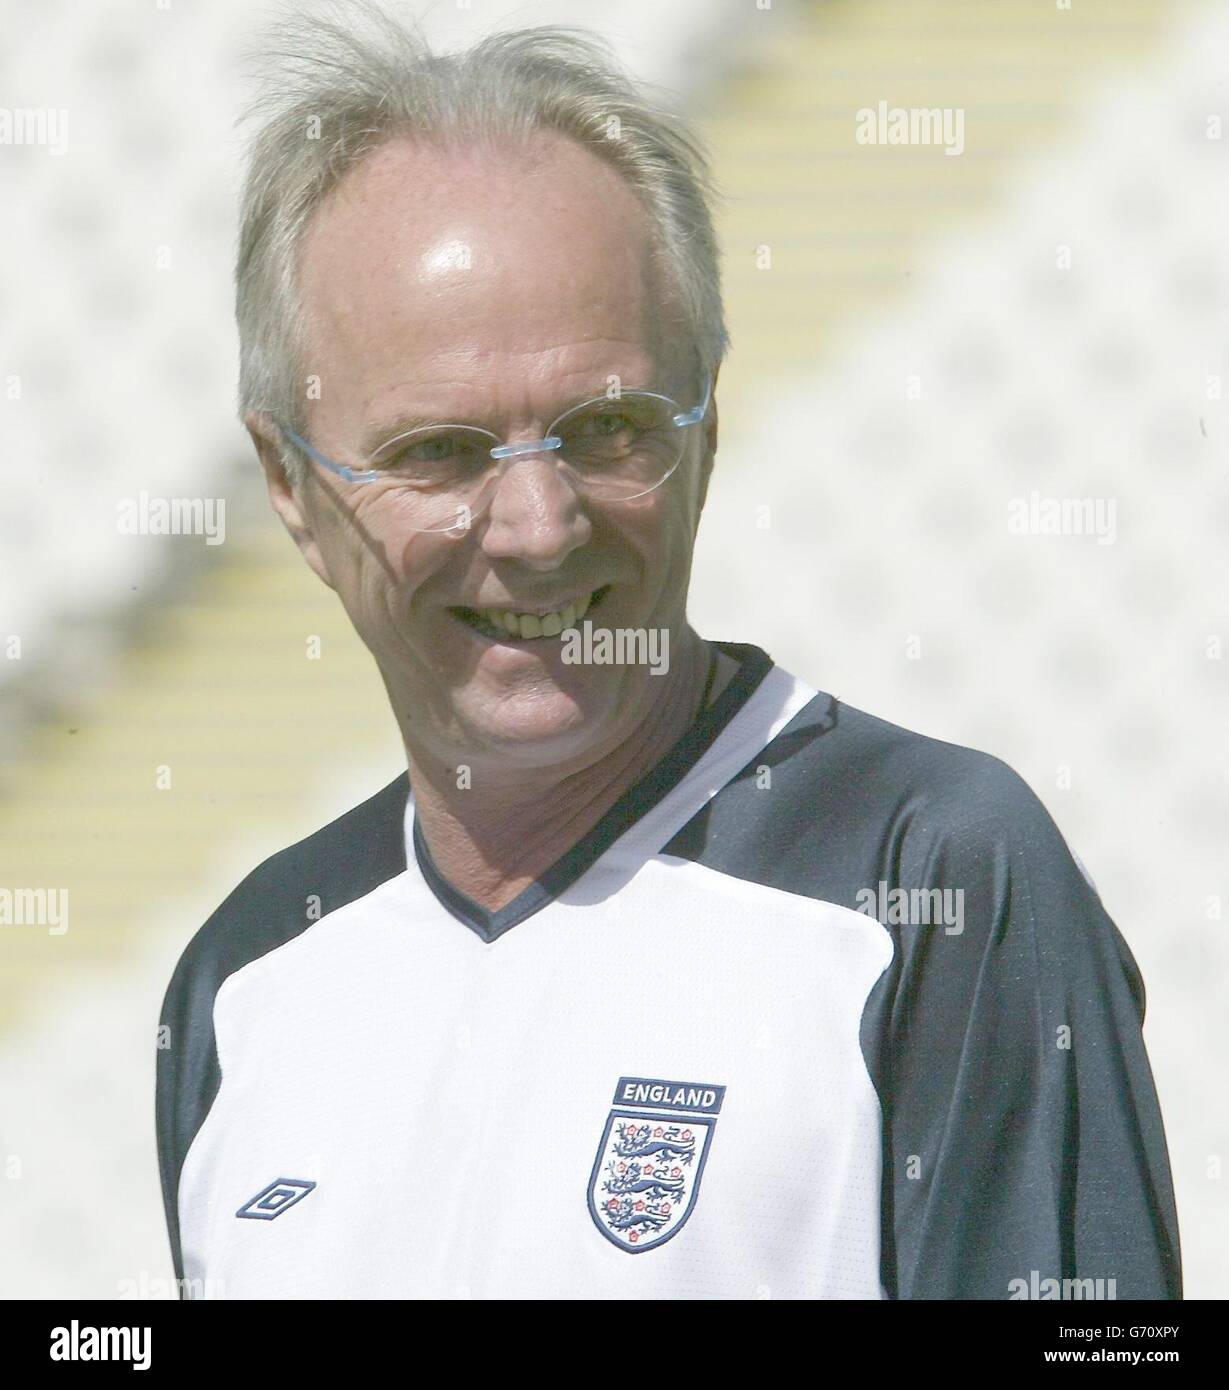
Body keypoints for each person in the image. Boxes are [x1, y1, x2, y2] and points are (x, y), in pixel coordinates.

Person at [156, 6, 1181, 1299]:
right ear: (290, 489)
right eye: (439, 452)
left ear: (708, 420)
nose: (537, 527)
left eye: (607, 426)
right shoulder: (243, 981)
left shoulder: (930, 873)